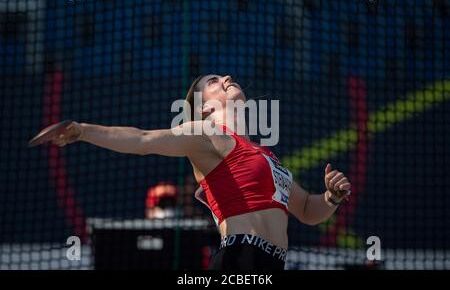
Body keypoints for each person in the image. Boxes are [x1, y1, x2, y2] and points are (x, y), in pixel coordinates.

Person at [47, 74, 351, 270]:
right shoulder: (207, 133)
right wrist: (82, 131)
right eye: (214, 81)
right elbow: (142, 140)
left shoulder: (268, 156)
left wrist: (331, 196)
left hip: (271, 265)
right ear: (203, 108)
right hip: (240, 261)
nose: (227, 78)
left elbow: (309, 210)